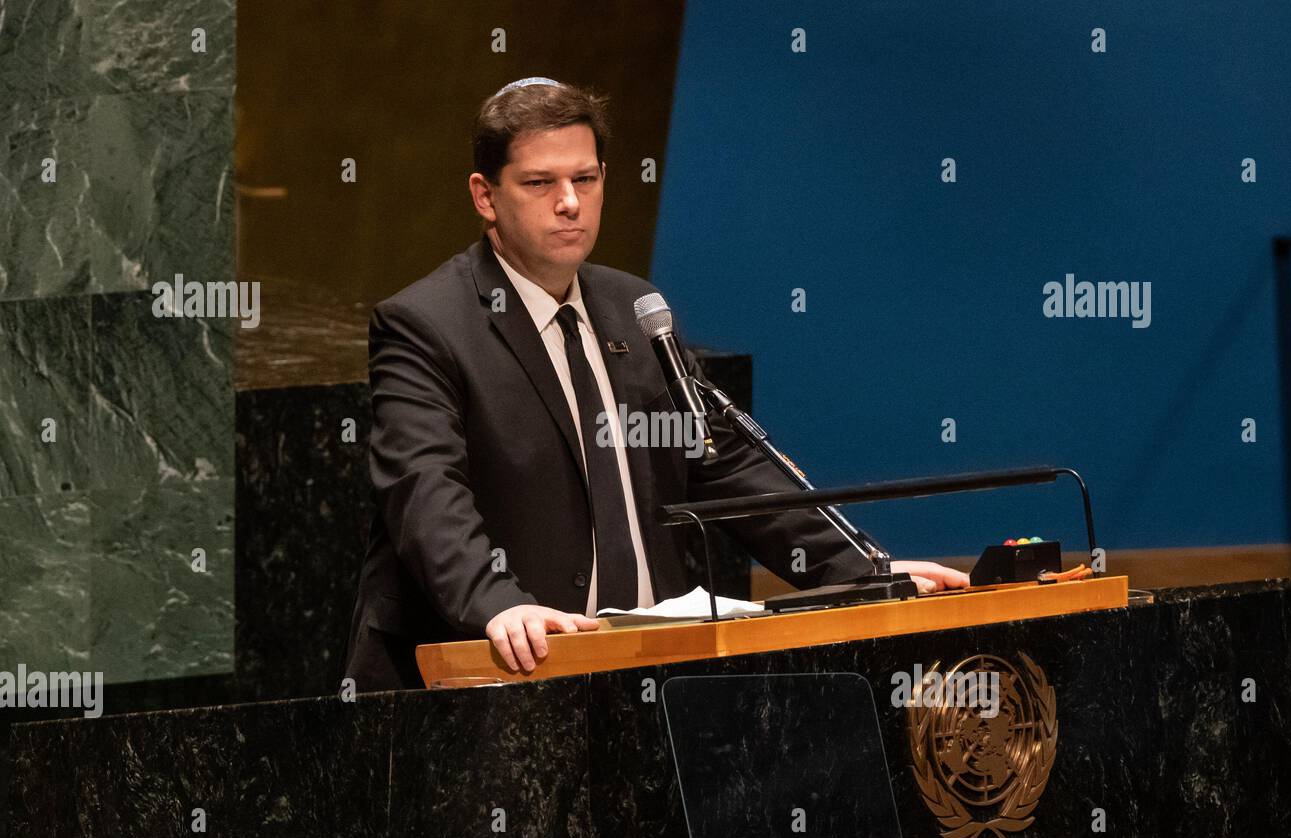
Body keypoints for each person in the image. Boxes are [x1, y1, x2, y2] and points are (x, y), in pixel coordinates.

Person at [342, 77, 967, 692]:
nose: (570, 203)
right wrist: (498, 602)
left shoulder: (635, 309)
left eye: (585, 179)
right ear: (485, 195)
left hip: (647, 665)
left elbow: (727, 465)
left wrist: (864, 574)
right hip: (500, 669)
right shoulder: (426, 324)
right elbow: (424, 488)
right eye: (540, 183)